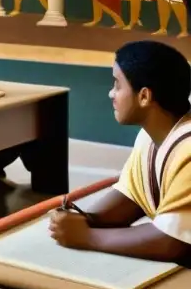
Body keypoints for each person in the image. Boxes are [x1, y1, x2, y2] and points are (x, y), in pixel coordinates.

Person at [49, 40, 191, 265]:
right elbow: (133, 196)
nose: (110, 93)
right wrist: (85, 220)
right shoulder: (150, 136)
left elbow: (171, 242)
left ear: (144, 96)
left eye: (117, 84)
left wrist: (86, 236)